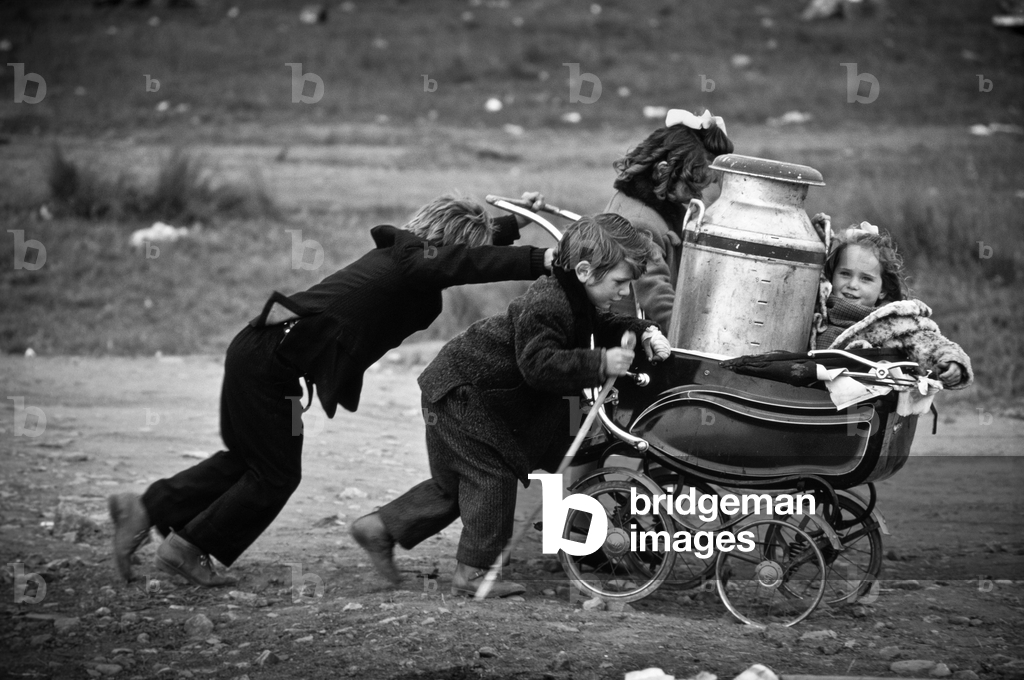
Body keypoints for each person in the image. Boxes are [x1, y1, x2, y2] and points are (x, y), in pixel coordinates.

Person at [108, 192, 556, 586]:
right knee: (275, 474)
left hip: (266, 360)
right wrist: (543, 260)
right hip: (266, 366)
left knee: (249, 460)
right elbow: (464, 260)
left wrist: (515, 221)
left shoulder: (410, 259)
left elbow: (463, 254)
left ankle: (147, 507)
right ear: (445, 243)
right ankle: (186, 548)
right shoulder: (411, 260)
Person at [349, 213, 673, 597]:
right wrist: (600, 363)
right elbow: (539, 365)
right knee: (491, 477)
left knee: (455, 487)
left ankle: (379, 528)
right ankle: (472, 575)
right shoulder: (547, 302)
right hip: (462, 393)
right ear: (585, 270)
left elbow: (602, 324)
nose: (623, 292)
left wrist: (642, 331)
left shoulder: (575, 296)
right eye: (620, 282)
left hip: (463, 390)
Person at [606, 108, 734, 328]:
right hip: (632, 337)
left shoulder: (662, 204)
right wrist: (691, 334)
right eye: (693, 184)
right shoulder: (640, 223)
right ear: (663, 171)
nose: (698, 194)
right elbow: (655, 295)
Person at [813, 222, 973, 389]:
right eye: (845, 274)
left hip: (865, 407)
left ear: (882, 290)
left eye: (866, 278)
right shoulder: (814, 312)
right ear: (831, 275)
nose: (853, 285)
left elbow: (929, 344)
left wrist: (952, 362)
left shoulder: (891, 324)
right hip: (805, 400)